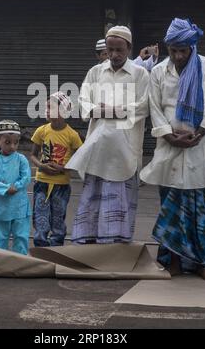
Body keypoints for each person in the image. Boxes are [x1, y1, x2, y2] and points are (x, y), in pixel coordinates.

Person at [140, 17, 205, 282]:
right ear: (168, 49)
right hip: (169, 148)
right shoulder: (158, 72)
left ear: (193, 46)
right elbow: (154, 108)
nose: (178, 56)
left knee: (202, 209)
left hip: (203, 147)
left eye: (183, 50)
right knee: (171, 208)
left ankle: (202, 262)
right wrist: (169, 137)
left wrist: (199, 133)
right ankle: (174, 261)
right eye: (173, 50)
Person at [67, 25, 149, 244]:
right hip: (98, 148)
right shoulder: (96, 72)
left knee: (120, 199)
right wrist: (105, 110)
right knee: (92, 198)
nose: (113, 55)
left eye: (119, 50)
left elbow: (143, 106)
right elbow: (84, 103)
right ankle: (88, 243)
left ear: (129, 48)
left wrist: (110, 110)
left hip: (125, 151)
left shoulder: (140, 74)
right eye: (110, 49)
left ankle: (115, 247)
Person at [30, 92, 83, 247]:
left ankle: (57, 245)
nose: (46, 110)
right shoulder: (41, 131)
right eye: (46, 107)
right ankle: (40, 245)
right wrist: (41, 166)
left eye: (50, 107)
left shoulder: (72, 135)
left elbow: (80, 159)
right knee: (40, 215)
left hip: (61, 185)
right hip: (41, 183)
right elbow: (33, 155)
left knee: (58, 217)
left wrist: (63, 168)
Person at [0, 120, 31, 255]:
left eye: (16, 142)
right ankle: (1, 260)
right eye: (8, 142)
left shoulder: (21, 159)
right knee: (1, 237)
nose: (12, 146)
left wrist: (16, 187)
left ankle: (20, 260)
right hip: (2, 205)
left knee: (21, 235)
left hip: (19, 205)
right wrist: (5, 188)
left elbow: (26, 177)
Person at [95, 37, 159, 71]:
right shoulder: (95, 72)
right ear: (98, 56)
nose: (111, 55)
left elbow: (143, 66)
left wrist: (154, 57)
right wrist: (140, 57)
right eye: (105, 54)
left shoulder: (121, 64)